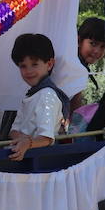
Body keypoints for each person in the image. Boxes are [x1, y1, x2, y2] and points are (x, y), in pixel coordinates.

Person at [6, 33, 70, 161]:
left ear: (50, 64)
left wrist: (27, 144)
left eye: (34, 64)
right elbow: (13, 131)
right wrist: (23, 139)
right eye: (23, 66)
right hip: (23, 157)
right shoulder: (32, 94)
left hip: (38, 161)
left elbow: (46, 138)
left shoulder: (47, 95)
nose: (28, 71)